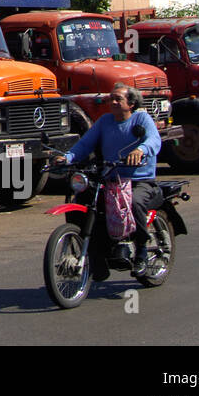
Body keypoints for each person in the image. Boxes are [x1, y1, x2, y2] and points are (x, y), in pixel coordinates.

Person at [56, 82, 162, 276]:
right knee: (87, 202)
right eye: (110, 98)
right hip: (111, 180)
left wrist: (140, 150)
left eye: (117, 99)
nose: (112, 102)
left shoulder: (142, 118)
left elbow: (154, 140)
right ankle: (96, 258)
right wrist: (68, 157)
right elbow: (85, 144)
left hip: (139, 181)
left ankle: (142, 252)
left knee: (135, 202)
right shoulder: (105, 121)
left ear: (131, 103)